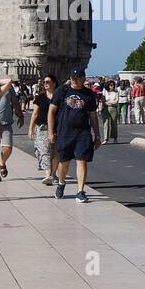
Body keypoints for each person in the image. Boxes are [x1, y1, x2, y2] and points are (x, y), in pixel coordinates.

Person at [49, 68, 100, 203]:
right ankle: (61, 183)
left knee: (82, 160)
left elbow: (93, 116)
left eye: (77, 78)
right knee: (64, 162)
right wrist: (51, 132)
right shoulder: (62, 90)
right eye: (73, 78)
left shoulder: (89, 94)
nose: (75, 81)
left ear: (83, 79)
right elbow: (51, 111)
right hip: (64, 131)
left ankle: (80, 191)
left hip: (83, 132)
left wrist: (97, 136)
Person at [29, 75, 57, 184]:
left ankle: (53, 174)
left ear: (54, 83)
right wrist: (31, 128)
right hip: (42, 127)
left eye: (48, 82)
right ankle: (48, 174)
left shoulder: (59, 97)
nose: (45, 84)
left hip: (57, 127)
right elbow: (35, 113)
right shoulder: (40, 97)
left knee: (55, 151)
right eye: (44, 82)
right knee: (45, 151)